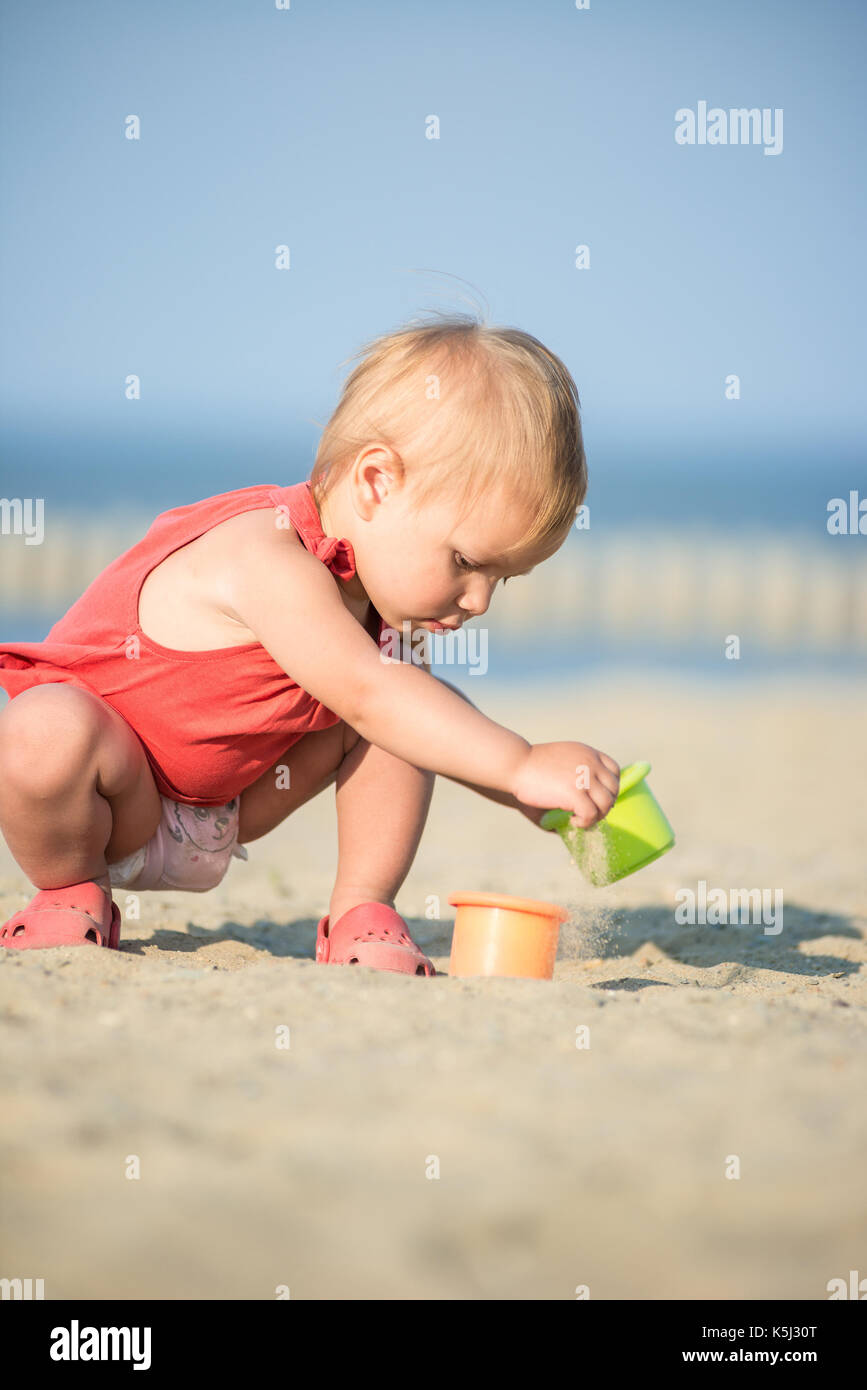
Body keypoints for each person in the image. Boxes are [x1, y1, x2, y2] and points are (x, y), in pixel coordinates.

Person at [0, 312, 619, 975]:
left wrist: (526, 792)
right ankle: (69, 892)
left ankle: (362, 910)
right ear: (377, 483)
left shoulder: (389, 616)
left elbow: (400, 713)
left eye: (503, 577)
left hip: (229, 808)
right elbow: (365, 691)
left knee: (407, 708)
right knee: (45, 726)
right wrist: (520, 762)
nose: (478, 600)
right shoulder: (263, 554)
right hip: (113, 801)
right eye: (467, 562)